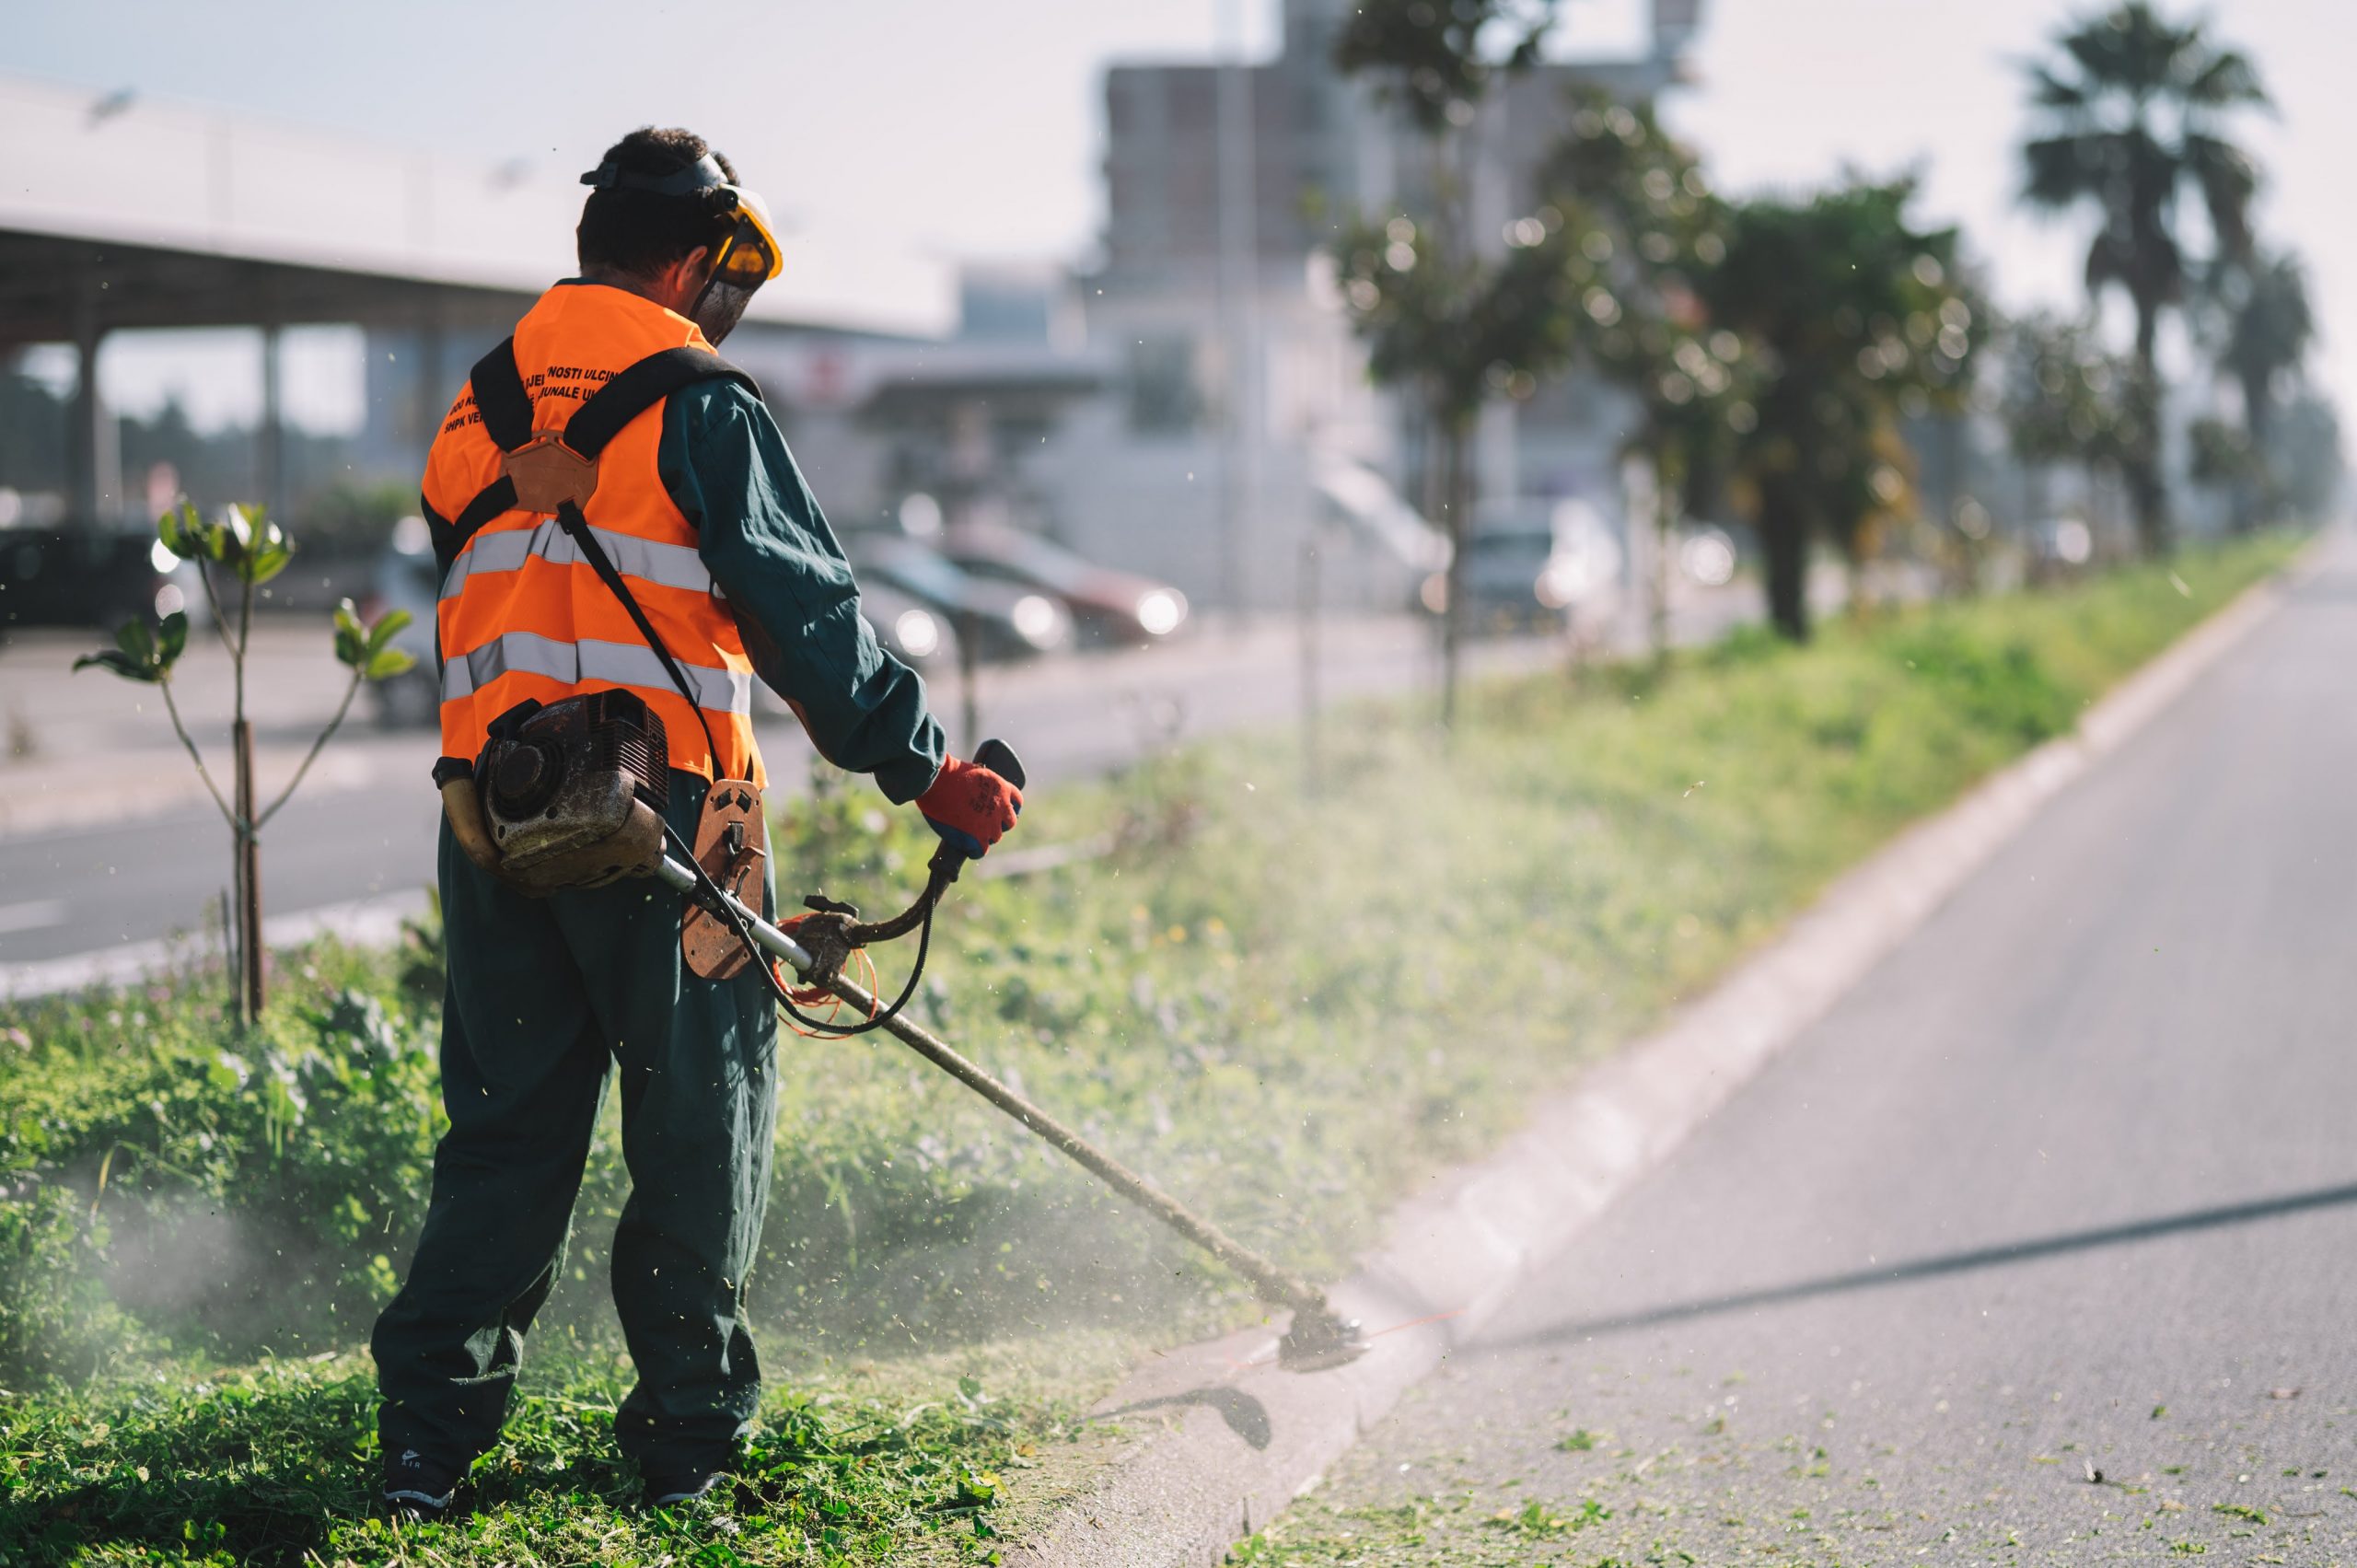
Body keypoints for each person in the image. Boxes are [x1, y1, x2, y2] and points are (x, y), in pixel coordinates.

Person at [369, 125, 1021, 1516]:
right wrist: (926, 772)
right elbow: (809, 617)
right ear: (690, 257)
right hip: (666, 813)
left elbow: (483, 601)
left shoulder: (475, 407)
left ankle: (427, 1441)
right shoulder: (699, 400)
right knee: (698, 1120)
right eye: (721, 277)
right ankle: (686, 1443)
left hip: (496, 812)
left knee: (502, 1125)